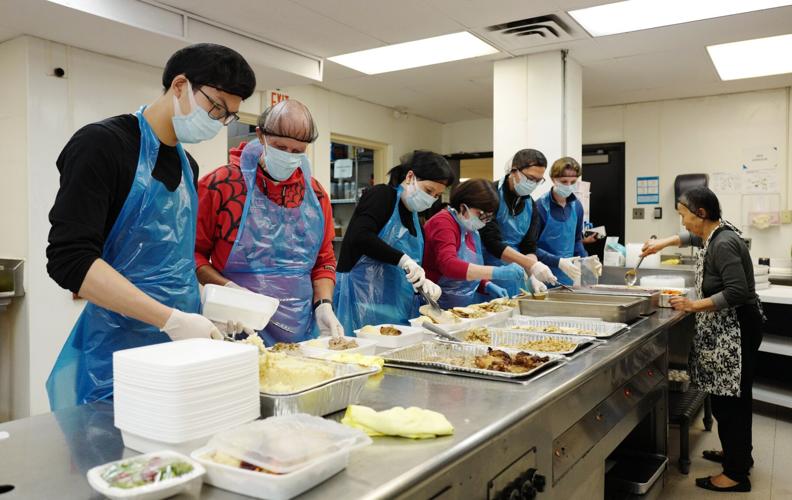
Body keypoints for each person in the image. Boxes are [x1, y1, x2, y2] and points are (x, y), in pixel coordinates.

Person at [45, 43, 256, 409]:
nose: (219, 121)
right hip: (115, 357)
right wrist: (170, 319)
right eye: (216, 107)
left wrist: (207, 310)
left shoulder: (188, 167)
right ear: (180, 86)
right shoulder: (102, 144)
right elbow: (70, 260)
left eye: (228, 116)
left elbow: (172, 264)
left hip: (181, 353)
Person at [641, 186, 762, 493]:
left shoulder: (724, 244)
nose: (682, 222)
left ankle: (736, 474)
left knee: (730, 403)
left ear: (701, 213)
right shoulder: (713, 233)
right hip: (729, 329)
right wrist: (662, 243)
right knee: (729, 399)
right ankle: (738, 455)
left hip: (736, 329)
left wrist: (692, 305)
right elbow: (692, 238)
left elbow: (737, 292)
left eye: (683, 215)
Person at [195, 99, 342, 345]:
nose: (288, 156)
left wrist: (323, 304)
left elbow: (324, 259)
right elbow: (192, 254)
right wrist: (228, 288)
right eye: (280, 147)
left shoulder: (315, 196)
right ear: (261, 135)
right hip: (236, 327)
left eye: (297, 151)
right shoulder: (221, 185)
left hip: (301, 333)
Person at [334, 151, 455, 333]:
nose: (431, 199)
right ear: (410, 176)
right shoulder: (382, 195)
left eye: (437, 195)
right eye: (429, 191)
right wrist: (404, 260)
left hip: (392, 306)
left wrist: (422, 284)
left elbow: (405, 271)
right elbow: (361, 236)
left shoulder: (415, 220)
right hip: (358, 299)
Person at [423, 179, 527, 308]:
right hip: (434, 302)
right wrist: (498, 272)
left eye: (488, 217)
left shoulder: (471, 230)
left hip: (457, 305)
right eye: (481, 214)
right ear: (463, 207)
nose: (483, 221)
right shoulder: (443, 222)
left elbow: (468, 269)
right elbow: (448, 265)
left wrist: (486, 285)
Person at [480, 149, 557, 296]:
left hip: (516, 277)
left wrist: (532, 274)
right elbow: (492, 242)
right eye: (530, 178)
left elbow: (529, 246)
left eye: (538, 180)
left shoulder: (530, 205)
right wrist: (531, 264)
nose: (533, 184)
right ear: (514, 171)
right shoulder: (490, 195)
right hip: (487, 276)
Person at [535, 157, 601, 285]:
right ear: (553, 179)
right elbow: (530, 248)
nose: (569, 186)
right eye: (564, 181)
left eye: (573, 182)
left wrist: (587, 260)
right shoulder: (540, 207)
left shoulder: (577, 206)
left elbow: (576, 241)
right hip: (544, 277)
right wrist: (558, 262)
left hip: (568, 277)